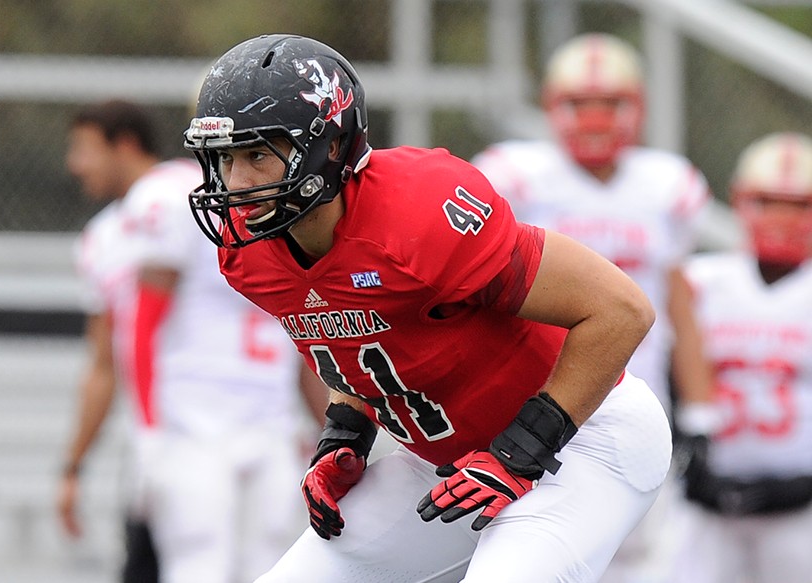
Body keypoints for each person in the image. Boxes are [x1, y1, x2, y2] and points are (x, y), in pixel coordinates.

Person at [183, 33, 671, 582]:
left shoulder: (418, 214)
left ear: (330, 147)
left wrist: (521, 452)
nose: (236, 183)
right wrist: (346, 430)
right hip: (446, 464)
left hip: (582, 440)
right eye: (224, 158)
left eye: (257, 155)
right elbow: (358, 333)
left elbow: (621, 309)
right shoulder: (248, 250)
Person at [471, 33, 713, 582]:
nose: (596, 119)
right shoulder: (513, 177)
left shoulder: (667, 186)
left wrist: (700, 410)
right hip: (539, 397)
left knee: (645, 559)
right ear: (551, 107)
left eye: (612, 104)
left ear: (641, 109)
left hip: (636, 399)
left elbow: (680, 307)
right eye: (580, 104)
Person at [57, 99, 326, 583]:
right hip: (194, 425)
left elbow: (300, 327)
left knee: (272, 568)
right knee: (200, 566)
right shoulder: (168, 196)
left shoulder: (283, 200)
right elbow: (137, 327)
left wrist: (330, 430)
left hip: (271, 422)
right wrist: (148, 431)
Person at [666, 132, 812, 583]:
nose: (782, 218)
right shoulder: (696, 282)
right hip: (707, 500)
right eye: (767, 201)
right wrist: (688, 453)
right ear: (738, 200)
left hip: (802, 509)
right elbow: (664, 375)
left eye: (799, 204)